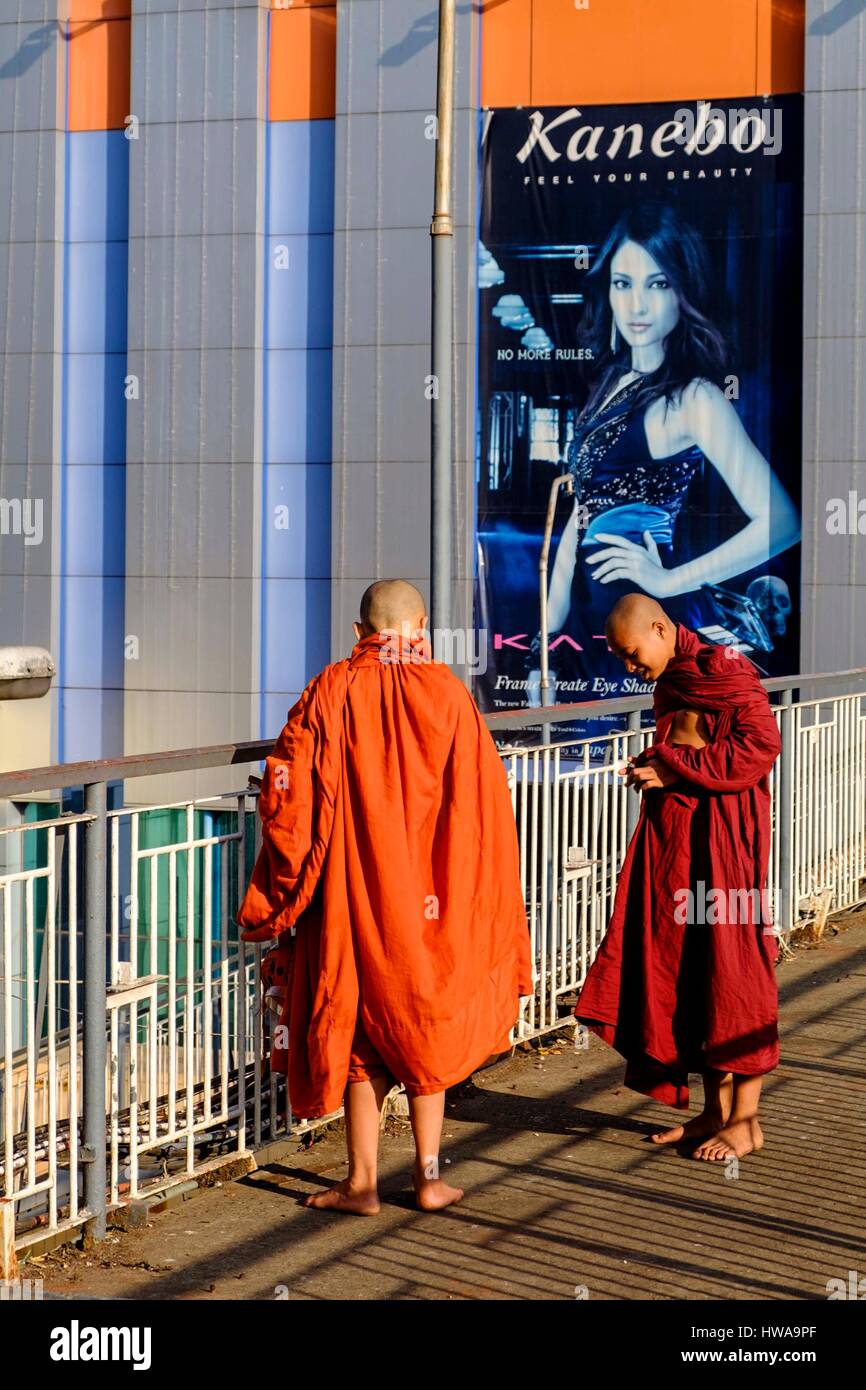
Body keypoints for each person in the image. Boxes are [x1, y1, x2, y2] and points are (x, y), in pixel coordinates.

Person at [237, 579, 534, 1213]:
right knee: (424, 1025)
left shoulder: (333, 688)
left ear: (358, 632)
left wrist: (282, 886)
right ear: (420, 627)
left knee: (357, 1040)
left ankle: (362, 1182)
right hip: (431, 898)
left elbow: (287, 789)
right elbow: (484, 802)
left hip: (352, 894)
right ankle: (429, 1178)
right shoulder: (450, 693)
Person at [526, 201, 799, 706]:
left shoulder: (693, 398)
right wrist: (546, 636)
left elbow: (782, 520)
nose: (637, 306)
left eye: (657, 283)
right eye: (623, 284)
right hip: (592, 623)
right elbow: (580, 514)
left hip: (651, 627)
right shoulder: (610, 382)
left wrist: (671, 578)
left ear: (682, 290)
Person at [574, 592, 783, 1160]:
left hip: (725, 844)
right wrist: (655, 764)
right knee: (690, 967)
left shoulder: (724, 670)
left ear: (662, 629)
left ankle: (746, 1120)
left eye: (631, 651)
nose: (628, 665)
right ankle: (713, 1116)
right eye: (618, 656)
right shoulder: (672, 681)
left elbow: (760, 747)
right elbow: (686, 746)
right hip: (675, 844)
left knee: (735, 966)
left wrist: (674, 768)